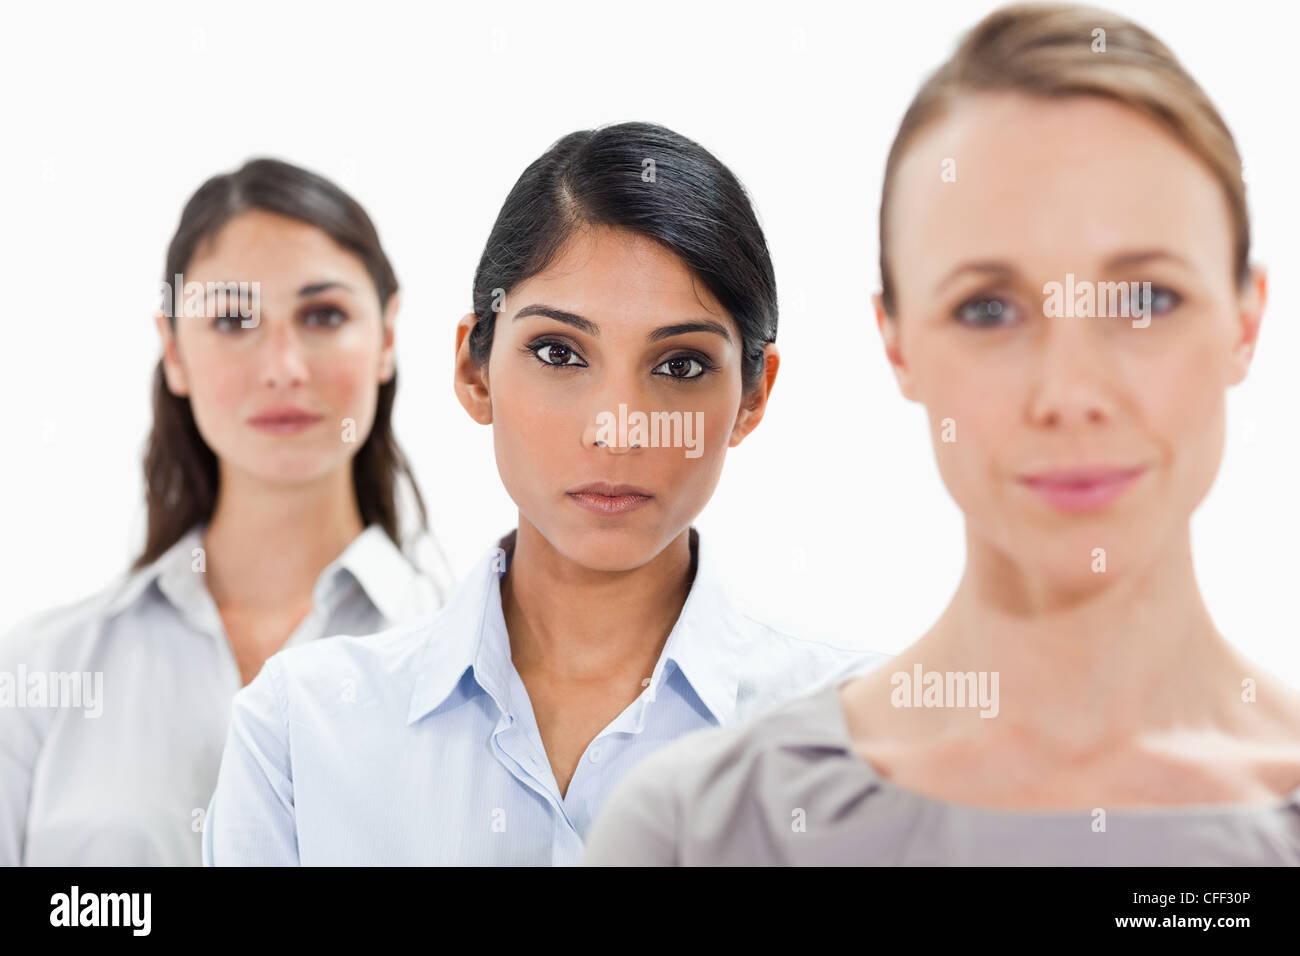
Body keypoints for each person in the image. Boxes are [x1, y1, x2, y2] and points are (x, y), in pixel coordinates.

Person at [583, 4, 1300, 866]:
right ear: (898, 341)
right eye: (988, 309)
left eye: (1144, 299)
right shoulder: (703, 830)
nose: (1070, 394)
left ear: (1246, 321)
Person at [202, 121, 882, 866]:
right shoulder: (300, 731)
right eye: (559, 352)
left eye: (680, 365)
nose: (615, 431)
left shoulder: (861, 745)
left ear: (754, 396)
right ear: (475, 370)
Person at [0, 157, 450, 866]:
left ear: (388, 338)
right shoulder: (40, 669)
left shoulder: (474, 663)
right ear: (173, 351)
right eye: (234, 319)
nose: (283, 366)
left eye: (323, 315)